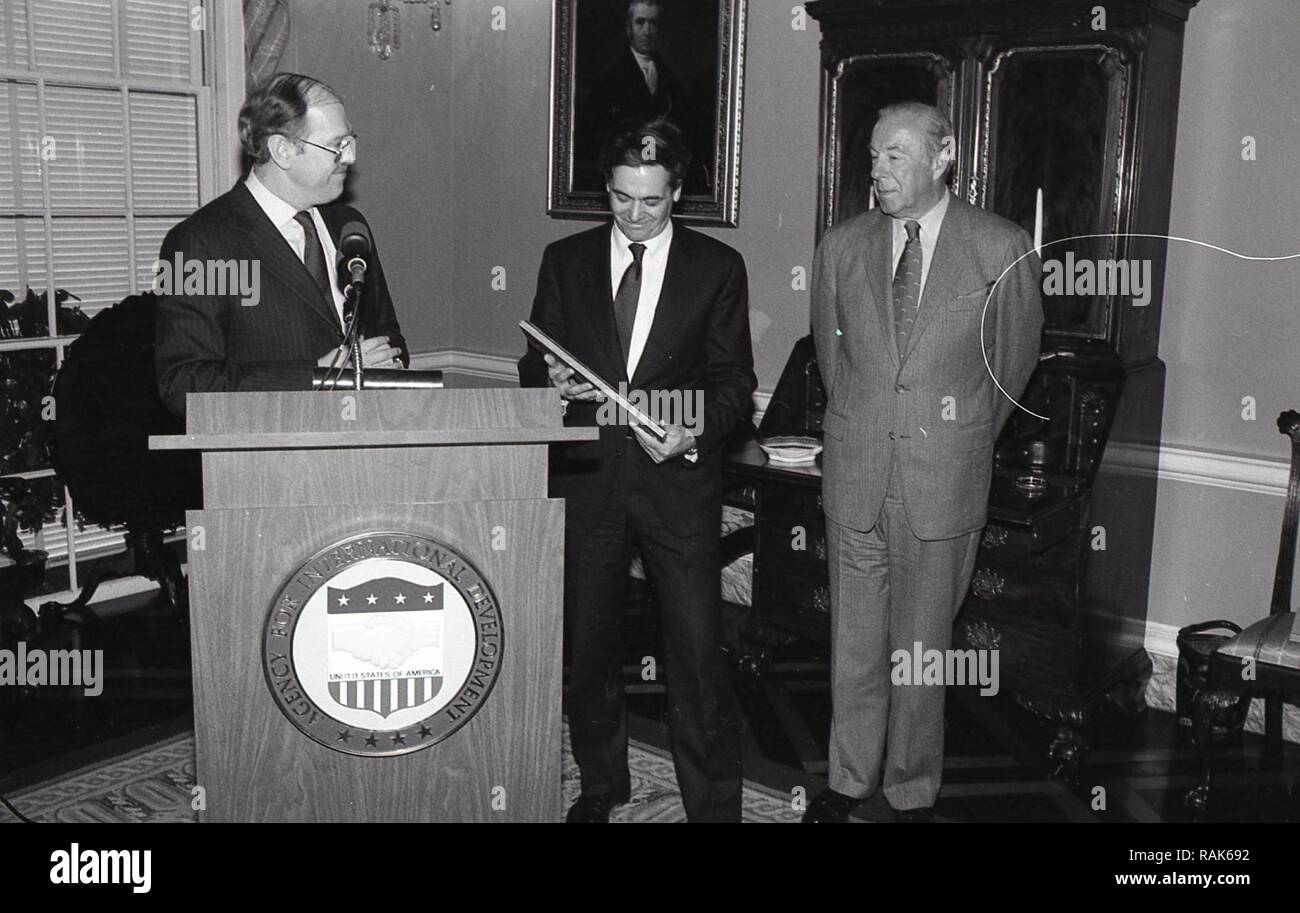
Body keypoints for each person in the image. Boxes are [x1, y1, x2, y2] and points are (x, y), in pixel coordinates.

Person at [805, 101, 1043, 823]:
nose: (877, 170)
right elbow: (832, 355)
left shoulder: (1000, 248)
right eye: (873, 156)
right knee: (853, 645)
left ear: (943, 157)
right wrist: (868, 426)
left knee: (921, 650)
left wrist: (956, 438)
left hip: (942, 483)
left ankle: (910, 790)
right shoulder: (841, 246)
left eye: (896, 155)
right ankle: (847, 779)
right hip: (855, 477)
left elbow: (1013, 367)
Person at [519, 116, 755, 823]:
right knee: (589, 652)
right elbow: (535, 359)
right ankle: (602, 785)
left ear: (676, 192)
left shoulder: (717, 269)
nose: (636, 215)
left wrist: (692, 432)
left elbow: (735, 385)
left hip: (677, 486)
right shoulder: (565, 260)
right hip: (590, 480)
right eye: (622, 198)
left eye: (651, 201)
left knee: (696, 660)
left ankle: (714, 807)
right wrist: (551, 378)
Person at [155, 73, 407, 417]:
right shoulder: (199, 242)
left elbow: (388, 338)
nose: (350, 157)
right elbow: (183, 384)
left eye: (351, 142)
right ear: (283, 150)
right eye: (337, 145)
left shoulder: (350, 226)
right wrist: (317, 376)